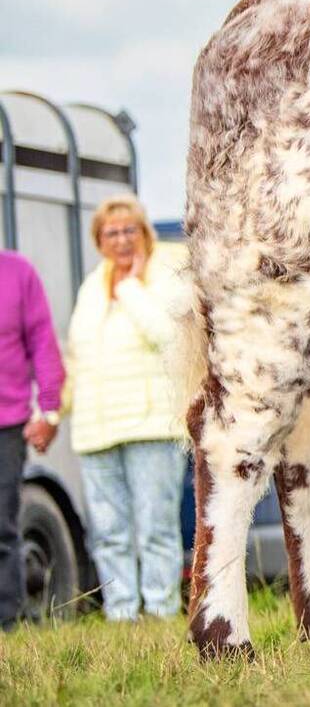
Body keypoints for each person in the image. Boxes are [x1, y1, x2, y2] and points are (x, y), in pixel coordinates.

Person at [64, 196, 191, 621]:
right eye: (111, 233)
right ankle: (121, 612)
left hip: (150, 426)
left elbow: (166, 335)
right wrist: (54, 412)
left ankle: (159, 609)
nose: (120, 240)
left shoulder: (162, 277)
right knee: (108, 532)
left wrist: (133, 287)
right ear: (98, 240)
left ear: (144, 234)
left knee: (155, 527)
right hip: (96, 430)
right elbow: (78, 356)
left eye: (128, 230)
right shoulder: (91, 285)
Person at [2, 250, 65, 630]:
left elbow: (43, 341)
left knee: (2, 525)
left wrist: (50, 409)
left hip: (5, 424)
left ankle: (5, 621)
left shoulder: (18, 272)